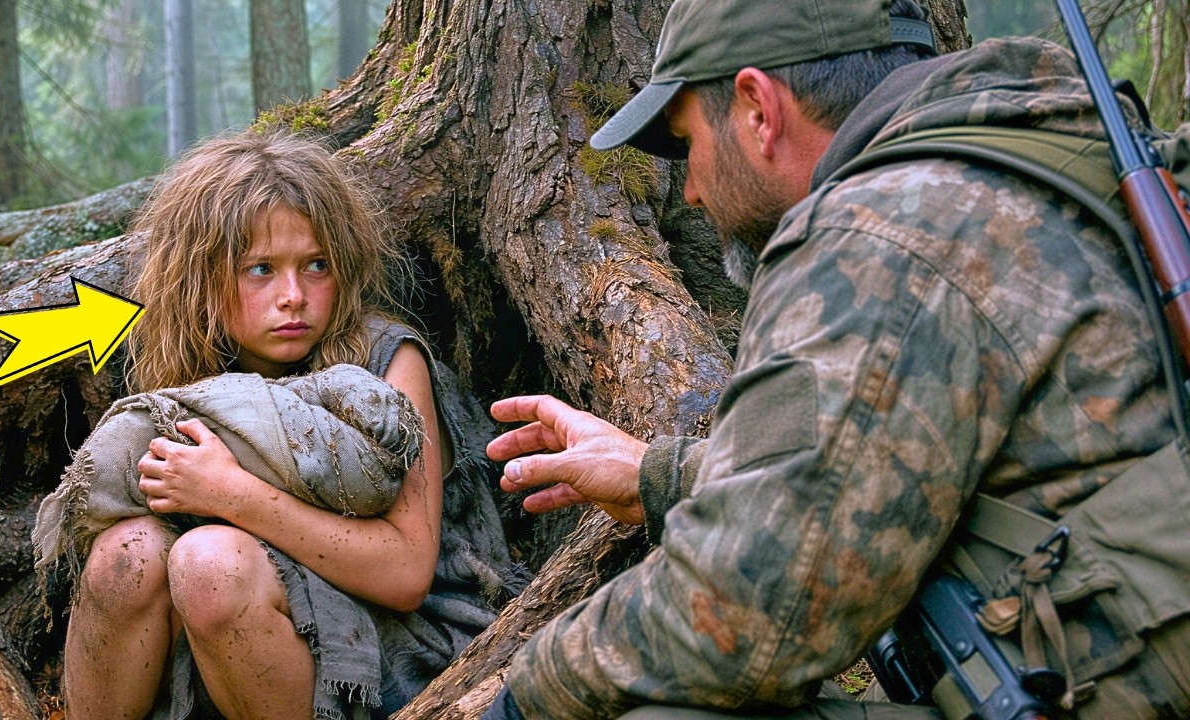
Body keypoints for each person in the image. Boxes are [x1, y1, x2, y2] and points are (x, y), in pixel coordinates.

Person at [483, 0, 1190, 718]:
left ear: (758, 108)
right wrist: (659, 476)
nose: (690, 189)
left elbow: (746, 612)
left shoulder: (880, 234)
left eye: (686, 140)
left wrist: (521, 699)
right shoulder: (1047, 150)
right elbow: (883, 453)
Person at [55, 130, 521, 720]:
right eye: (260, 270)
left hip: (399, 639)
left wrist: (230, 493)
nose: (293, 296)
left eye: (316, 265)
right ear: (203, 278)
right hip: (242, 630)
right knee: (128, 551)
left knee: (211, 562)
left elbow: (405, 573)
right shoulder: (193, 365)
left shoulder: (387, 364)